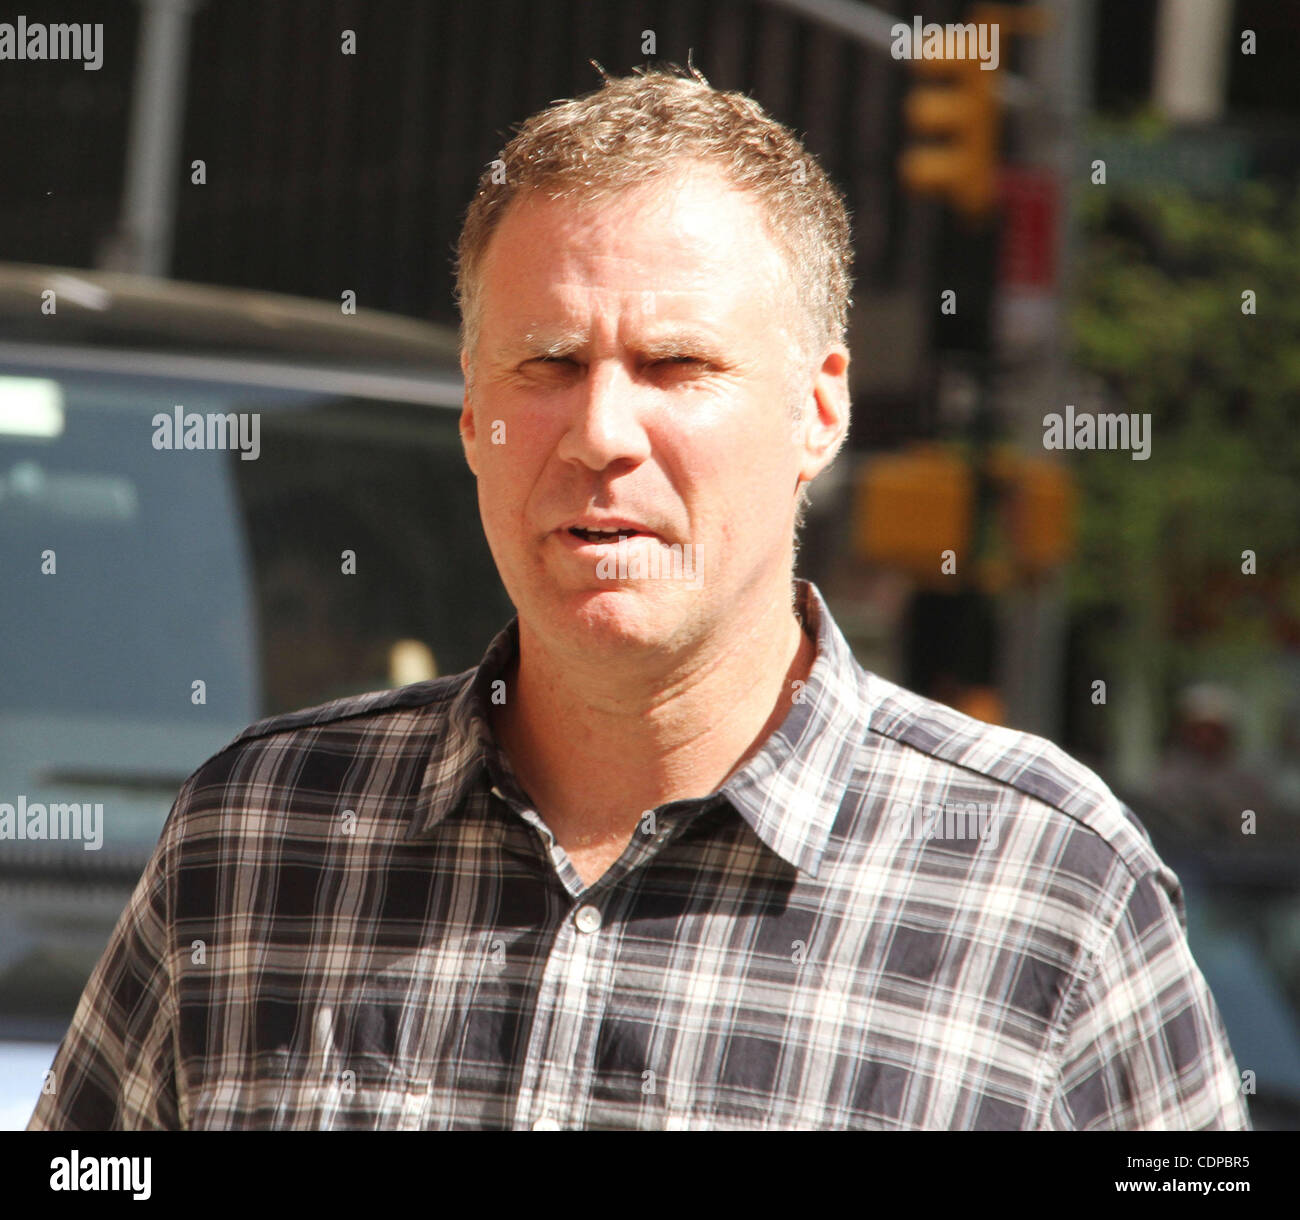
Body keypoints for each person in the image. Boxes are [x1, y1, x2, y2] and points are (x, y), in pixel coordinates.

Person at [30, 66, 1249, 1131]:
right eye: (548, 364)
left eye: (678, 365)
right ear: (474, 415)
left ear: (820, 408)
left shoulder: (1048, 891)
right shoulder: (249, 844)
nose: (603, 431)